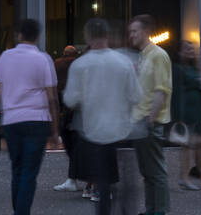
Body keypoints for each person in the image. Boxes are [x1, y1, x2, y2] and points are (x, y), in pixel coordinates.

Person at [63, 18, 141, 215]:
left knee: (103, 184)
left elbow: (70, 100)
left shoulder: (80, 65)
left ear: (87, 37)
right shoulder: (123, 62)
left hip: (95, 131)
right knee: (125, 182)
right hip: (123, 130)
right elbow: (136, 96)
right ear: (107, 36)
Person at [0, 18, 59, 215]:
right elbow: (52, 98)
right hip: (37, 120)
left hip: (12, 120)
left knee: (17, 169)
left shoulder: (5, 57)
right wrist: (55, 131)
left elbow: (0, 89)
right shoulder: (43, 59)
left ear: (19, 35)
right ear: (38, 36)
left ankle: (19, 211)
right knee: (29, 174)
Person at [129, 15, 173, 215]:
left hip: (149, 121)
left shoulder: (157, 55)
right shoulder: (144, 55)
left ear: (146, 32)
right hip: (142, 120)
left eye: (134, 31)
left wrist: (151, 118)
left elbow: (162, 90)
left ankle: (159, 211)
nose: (131, 35)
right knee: (148, 172)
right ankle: (151, 210)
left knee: (155, 171)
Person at [174, 41, 201, 191]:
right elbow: (177, 92)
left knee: (199, 144)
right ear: (180, 52)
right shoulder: (178, 68)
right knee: (188, 145)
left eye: (191, 49)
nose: (190, 51)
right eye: (187, 49)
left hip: (196, 108)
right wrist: (178, 115)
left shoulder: (193, 67)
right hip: (186, 109)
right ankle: (185, 177)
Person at [51, 45, 84, 194]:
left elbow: (53, 84)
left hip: (63, 104)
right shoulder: (79, 63)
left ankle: (74, 178)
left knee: (72, 142)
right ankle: (83, 180)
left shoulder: (57, 63)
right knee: (79, 143)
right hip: (76, 107)